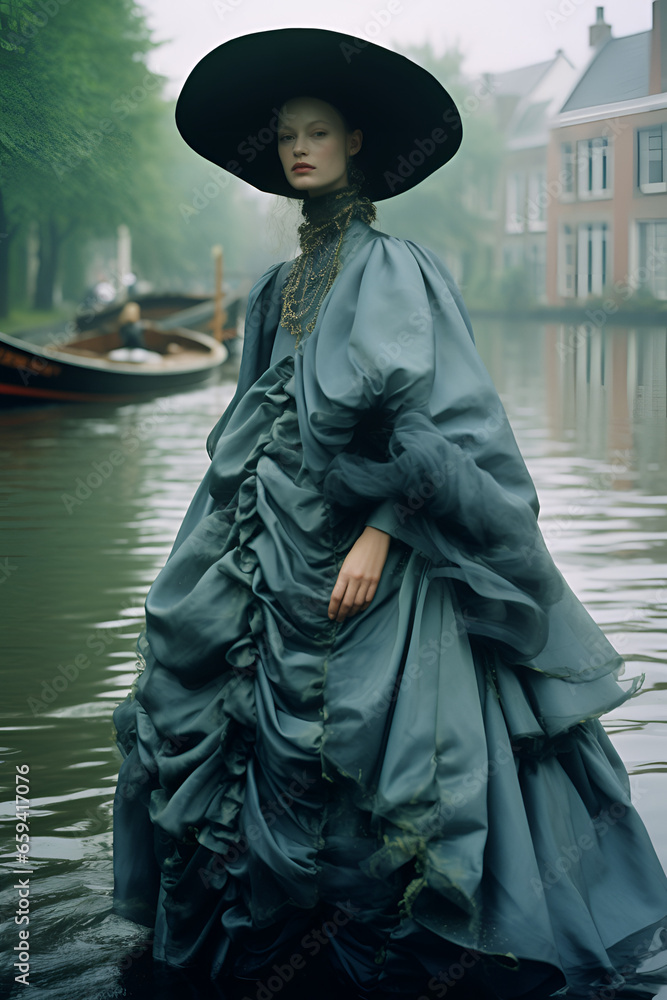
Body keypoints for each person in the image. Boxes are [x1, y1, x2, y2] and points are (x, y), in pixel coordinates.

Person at [111, 27, 667, 1000]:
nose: (299, 148)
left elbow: (445, 429)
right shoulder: (274, 288)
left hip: (381, 560)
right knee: (236, 730)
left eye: (318, 132)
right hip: (269, 562)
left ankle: (411, 939)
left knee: (394, 755)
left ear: (356, 141)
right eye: (287, 134)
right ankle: (286, 937)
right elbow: (248, 436)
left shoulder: (394, 266)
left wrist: (382, 533)